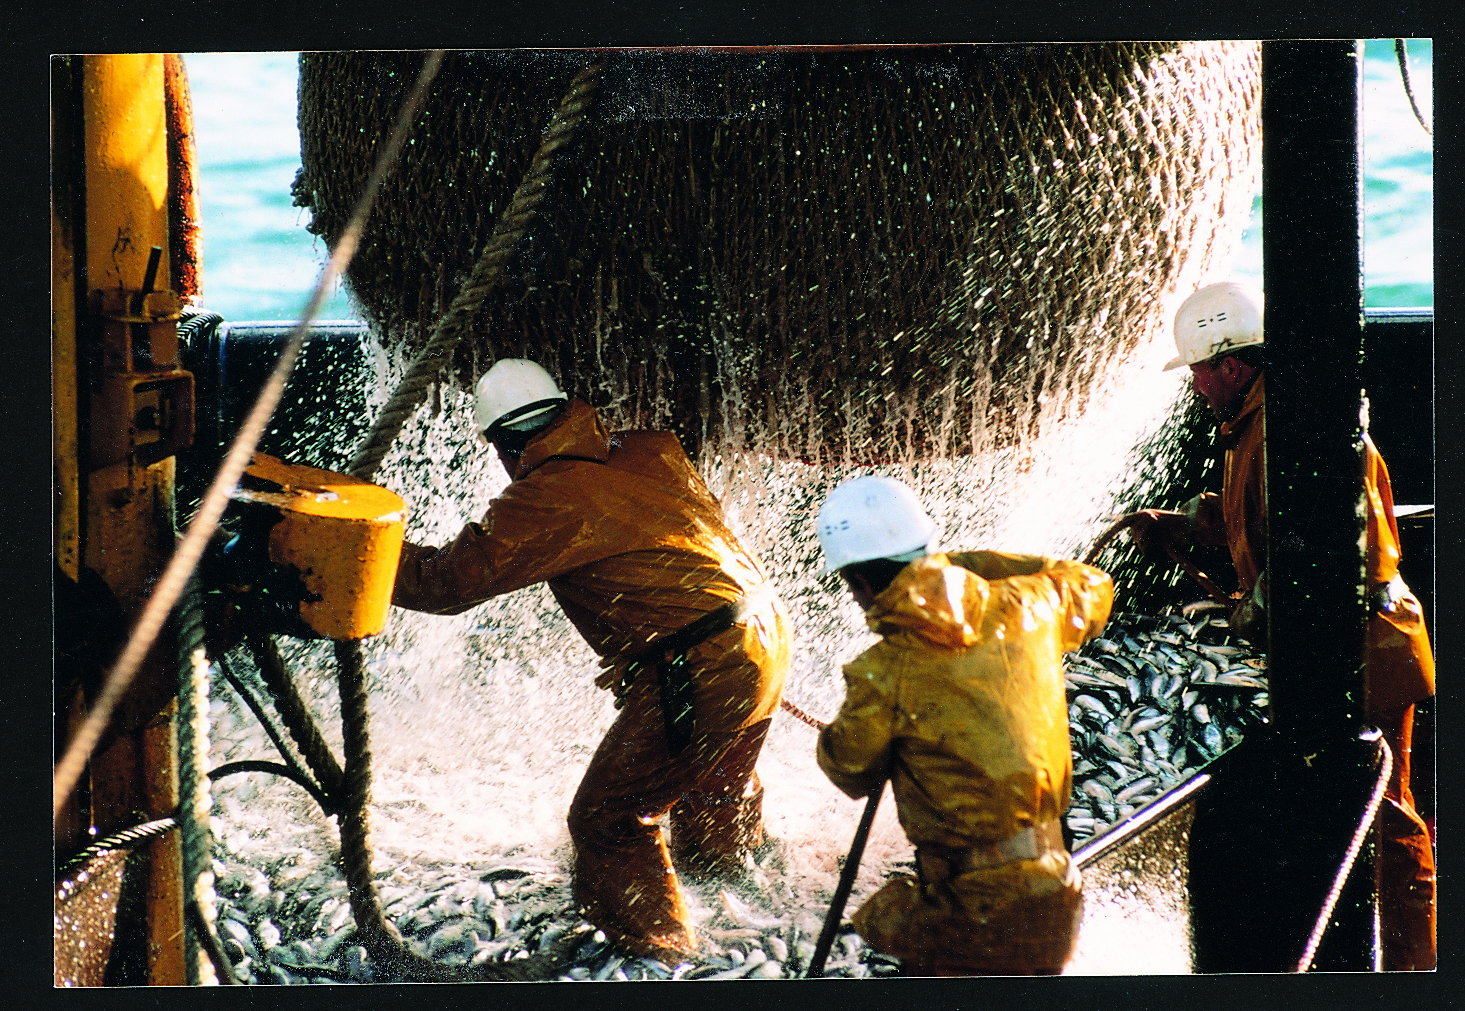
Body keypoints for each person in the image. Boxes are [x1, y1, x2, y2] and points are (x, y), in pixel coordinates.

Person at [391, 359, 791, 964]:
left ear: (501, 444)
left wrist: (354, 549)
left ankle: (657, 961)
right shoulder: (651, 450)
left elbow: (444, 583)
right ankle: (755, 900)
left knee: (608, 819)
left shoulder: (546, 495)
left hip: (703, 662)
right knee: (713, 786)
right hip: (762, 633)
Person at [1129, 281, 1436, 971]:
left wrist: (1248, 615)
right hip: (1330, 648)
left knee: (1384, 816)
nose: (1195, 387)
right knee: (1349, 813)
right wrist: (1184, 524)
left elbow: (1319, 549)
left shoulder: (1291, 425)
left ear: (1231, 365)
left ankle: (1416, 971)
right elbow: (1261, 513)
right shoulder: (1257, 420)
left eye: (1200, 372)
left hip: (1368, 646)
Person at [812, 475, 1113, 975]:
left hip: (972, 914)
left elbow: (848, 770)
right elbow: (1092, 585)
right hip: (1058, 891)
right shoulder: (1032, 604)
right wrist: (967, 568)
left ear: (860, 582)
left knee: (880, 922)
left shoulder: (883, 672)